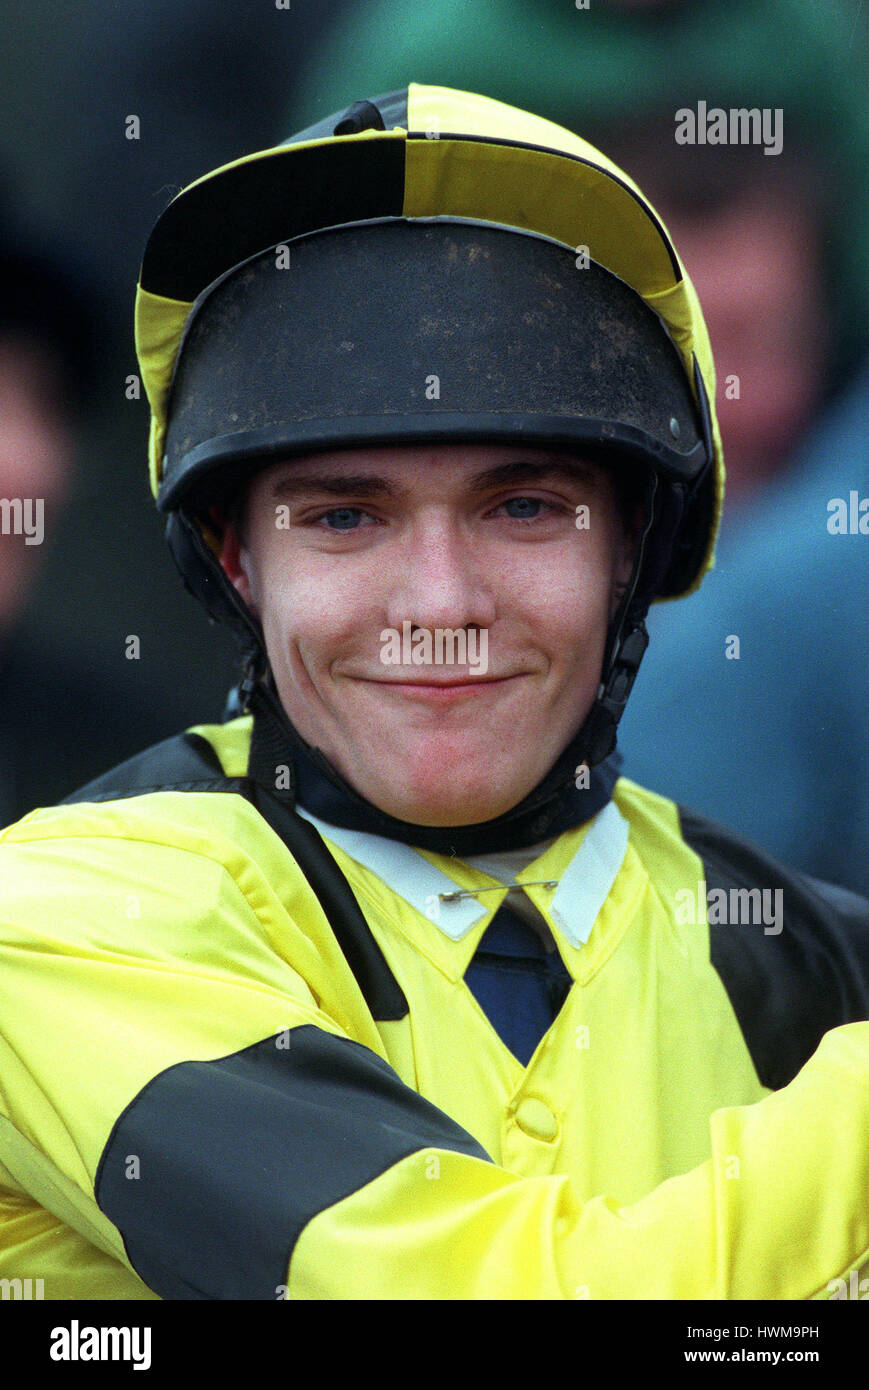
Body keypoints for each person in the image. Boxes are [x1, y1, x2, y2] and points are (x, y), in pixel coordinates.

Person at [1, 85, 868, 1302]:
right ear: (238, 560)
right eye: (346, 517)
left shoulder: (817, 959)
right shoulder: (54, 922)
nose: (440, 603)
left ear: (630, 548)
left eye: (522, 508)